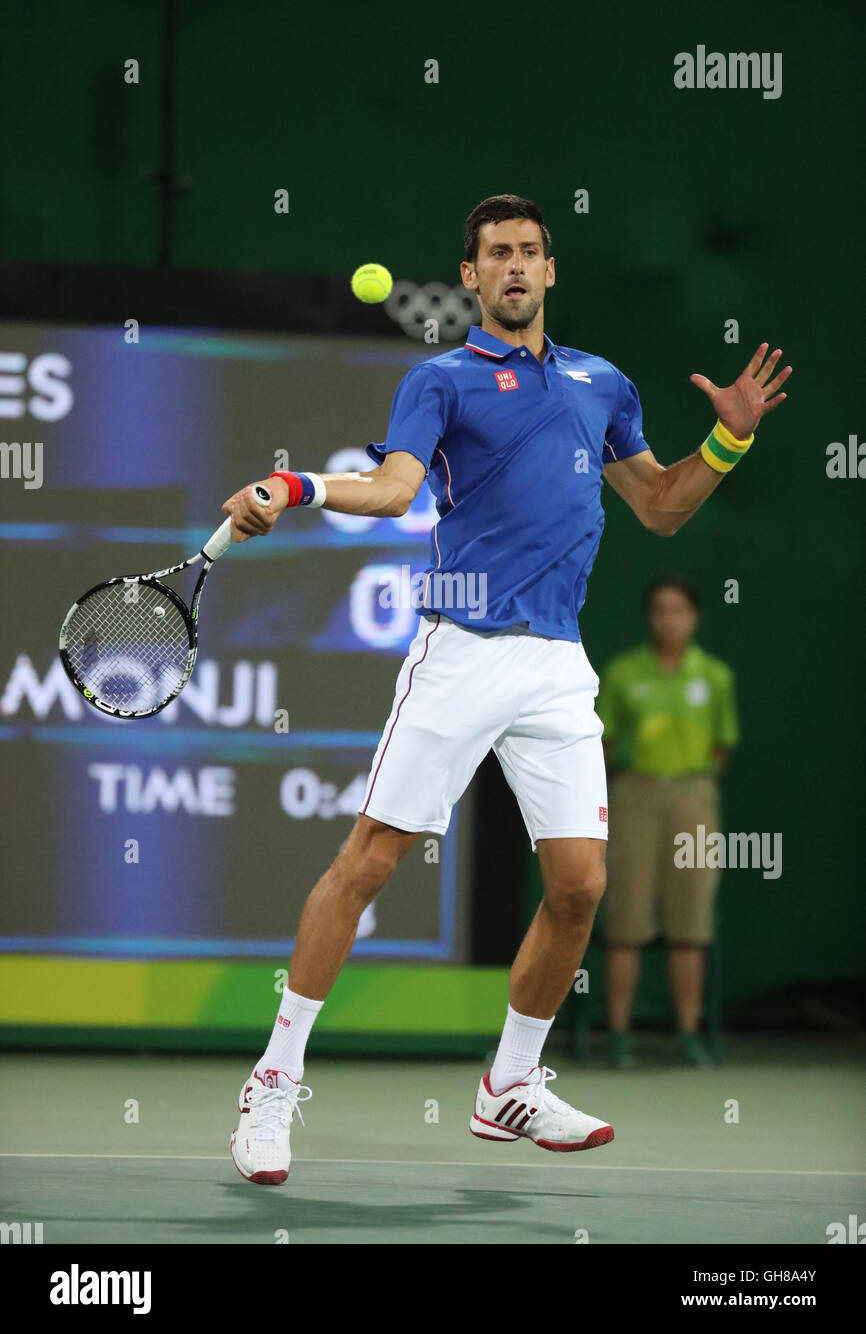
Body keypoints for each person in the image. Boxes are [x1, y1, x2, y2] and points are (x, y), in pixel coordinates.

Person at [220, 193, 791, 1184]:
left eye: (529, 250)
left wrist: (727, 442)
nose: (515, 266)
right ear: (472, 278)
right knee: (367, 863)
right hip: (460, 649)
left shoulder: (600, 383)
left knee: (577, 886)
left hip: (554, 663)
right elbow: (395, 489)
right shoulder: (437, 379)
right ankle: (272, 1081)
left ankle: (509, 1085)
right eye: (495, 254)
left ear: (549, 269)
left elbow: (658, 506)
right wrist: (299, 486)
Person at [597, 577, 739, 1068]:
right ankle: (617, 1034)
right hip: (634, 795)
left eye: (679, 611)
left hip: (694, 798)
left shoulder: (715, 676)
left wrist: (688, 787)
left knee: (690, 923)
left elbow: (721, 746)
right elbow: (605, 743)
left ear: (694, 617)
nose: (669, 620)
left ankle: (688, 1034)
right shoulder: (621, 673)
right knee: (626, 920)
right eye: (660, 610)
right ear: (649, 617)